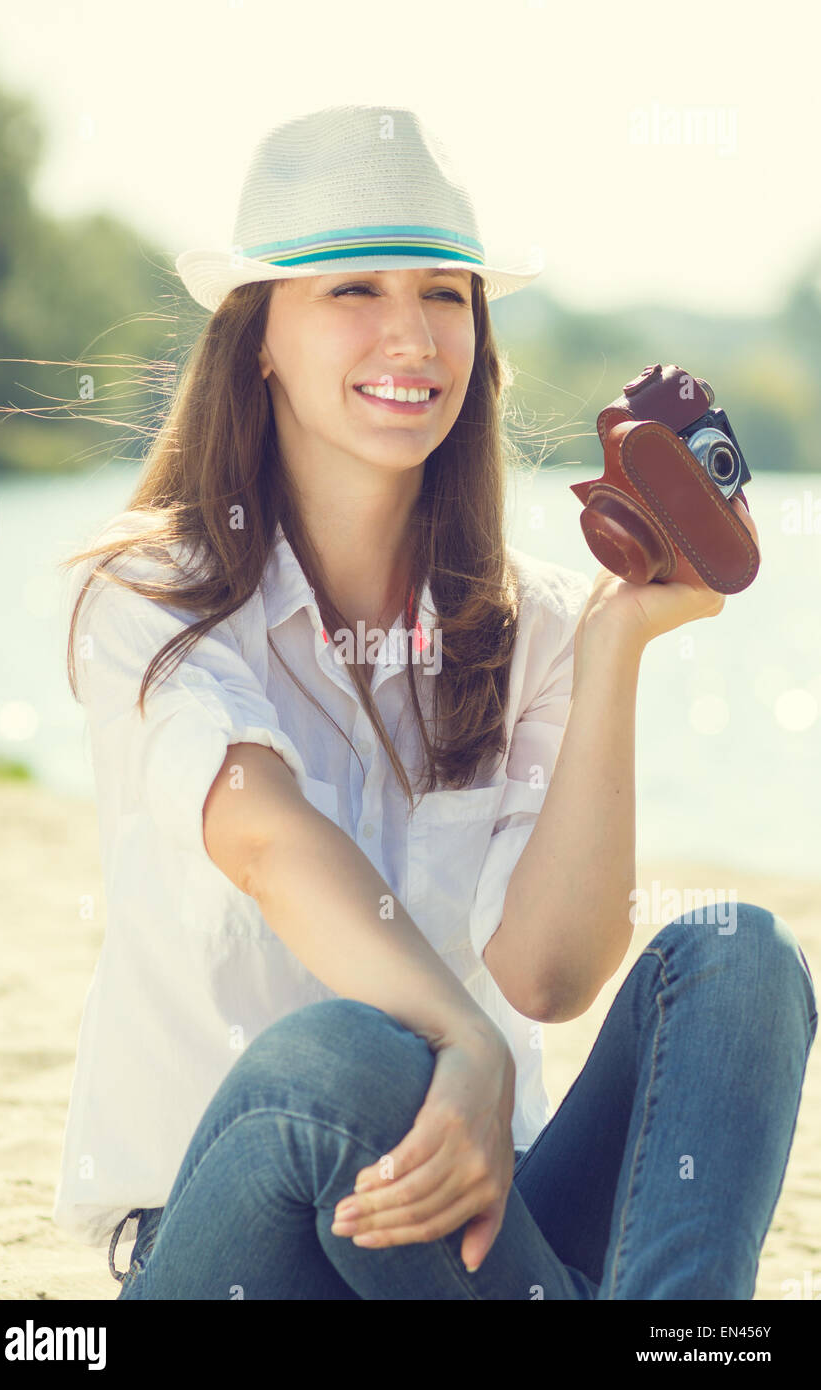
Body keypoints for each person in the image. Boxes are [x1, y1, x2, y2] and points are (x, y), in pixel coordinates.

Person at [53, 104, 816, 1300]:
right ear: (258, 338)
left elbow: (551, 979)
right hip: (242, 1236)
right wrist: (457, 1042)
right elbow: (261, 835)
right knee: (351, 1059)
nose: (410, 333)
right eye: (352, 289)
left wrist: (612, 644)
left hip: (471, 1245)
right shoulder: (150, 594)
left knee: (739, 960)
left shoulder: (543, 625)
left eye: (445, 294)